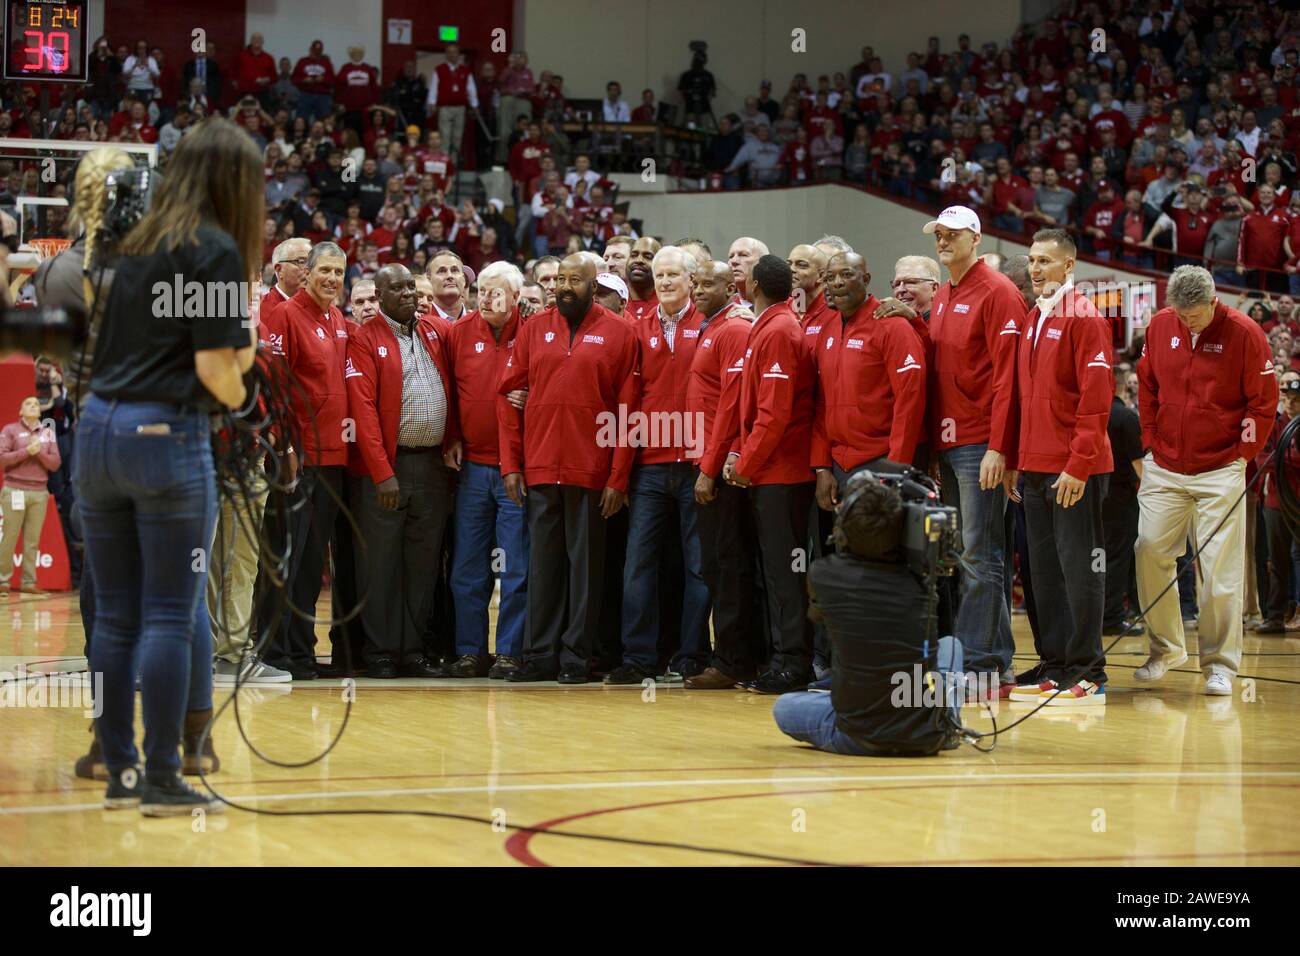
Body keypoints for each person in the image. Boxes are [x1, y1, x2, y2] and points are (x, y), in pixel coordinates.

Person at [75, 117, 260, 815]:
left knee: (113, 617)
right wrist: (243, 395)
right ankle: (162, 776)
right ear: (233, 182)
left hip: (98, 430)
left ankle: (117, 767)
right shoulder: (211, 249)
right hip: (164, 437)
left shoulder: (130, 241)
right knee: (167, 615)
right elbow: (220, 370)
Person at [1134, 265, 1278, 696]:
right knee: (1149, 550)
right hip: (1164, 464)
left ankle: (1220, 664)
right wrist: (1149, 440)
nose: (1187, 321)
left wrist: (1242, 455)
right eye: (1181, 314)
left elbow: (1263, 403)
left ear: (1214, 302)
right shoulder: (1162, 325)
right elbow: (1147, 387)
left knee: (1219, 571)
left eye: (1194, 315)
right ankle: (1165, 649)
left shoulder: (1246, 333)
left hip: (1220, 469)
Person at [497, 254, 640, 683]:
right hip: (540, 468)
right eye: (560, 279)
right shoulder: (534, 328)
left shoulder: (620, 333)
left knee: (587, 570)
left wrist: (618, 477)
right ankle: (539, 656)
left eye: (574, 280)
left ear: (593, 286)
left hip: (591, 471)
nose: (564, 286)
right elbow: (507, 396)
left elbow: (628, 411)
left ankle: (576, 658)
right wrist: (511, 464)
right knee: (543, 567)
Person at [772, 474, 961, 755]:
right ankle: (948, 723)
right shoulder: (921, 579)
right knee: (950, 646)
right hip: (925, 734)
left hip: (857, 734)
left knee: (784, 707)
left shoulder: (824, 575)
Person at [1003, 229, 1113, 705]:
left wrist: (1079, 465)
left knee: (1079, 570)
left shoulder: (1084, 317)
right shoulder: (1034, 317)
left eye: (1045, 261)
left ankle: (1089, 671)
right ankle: (1055, 663)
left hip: (1075, 469)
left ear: (1069, 266)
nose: (1035, 269)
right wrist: (1015, 461)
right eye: (1031, 260)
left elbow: (1095, 402)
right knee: (1043, 572)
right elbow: (1026, 401)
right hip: (1035, 466)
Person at [924, 205, 1025, 694]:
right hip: (949, 444)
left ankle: (983, 666)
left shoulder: (999, 293)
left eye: (952, 234)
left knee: (979, 555)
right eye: (938, 234)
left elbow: (1010, 379)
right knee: (970, 556)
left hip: (980, 443)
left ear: (976, 238)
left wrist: (1000, 447)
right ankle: (995, 664)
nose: (942, 241)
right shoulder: (944, 293)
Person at [606, 247, 710, 684]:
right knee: (638, 563)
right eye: (659, 275)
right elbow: (627, 401)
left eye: (672, 275)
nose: (664, 281)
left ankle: (691, 656)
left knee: (698, 565)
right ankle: (638, 658)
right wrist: (622, 469)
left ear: (690, 281)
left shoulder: (711, 323)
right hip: (648, 464)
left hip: (695, 463)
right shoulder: (635, 327)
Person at [345, 264, 453, 678]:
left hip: (430, 465)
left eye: (411, 286)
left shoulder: (433, 333)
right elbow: (364, 410)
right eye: (398, 288)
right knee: (381, 563)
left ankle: (413, 650)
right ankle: (381, 652)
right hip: (387, 468)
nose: (408, 293)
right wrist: (381, 471)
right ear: (380, 293)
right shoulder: (364, 337)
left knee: (423, 565)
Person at [724, 255, 815, 694]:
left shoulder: (778, 330)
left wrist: (745, 463)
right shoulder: (773, 323)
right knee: (776, 572)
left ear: (755, 284)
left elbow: (774, 413)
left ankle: (792, 664)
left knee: (784, 573)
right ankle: (782, 658)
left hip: (781, 472)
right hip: (772, 470)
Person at [264, 242, 352, 680]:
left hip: (332, 457)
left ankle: (301, 652)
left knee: (312, 561)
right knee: (286, 558)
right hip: (298, 457)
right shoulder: (284, 315)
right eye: (324, 271)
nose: (332, 279)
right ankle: (274, 651)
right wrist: (285, 448)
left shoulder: (337, 319)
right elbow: (276, 387)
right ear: (306, 272)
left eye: (339, 272)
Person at [444, 262, 529, 678]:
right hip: (473, 468)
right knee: (468, 566)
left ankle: (511, 650)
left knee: (515, 566)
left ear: (516, 297)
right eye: (482, 291)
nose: (487, 299)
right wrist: (452, 436)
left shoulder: (532, 334)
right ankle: (469, 650)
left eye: (498, 293)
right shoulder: (458, 335)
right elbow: (446, 390)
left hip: (517, 468)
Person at [686, 258, 760, 688]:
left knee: (728, 566)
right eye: (695, 283)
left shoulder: (733, 330)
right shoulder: (711, 327)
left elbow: (733, 408)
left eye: (707, 284)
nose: (697, 290)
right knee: (717, 565)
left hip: (724, 468)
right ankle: (733, 655)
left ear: (731, 290)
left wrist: (712, 467)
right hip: (706, 459)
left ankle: (732, 660)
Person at [1101, 364, 1146, 636]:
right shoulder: (1126, 417)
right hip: (1121, 497)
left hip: (1092, 493)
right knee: (1118, 558)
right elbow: (1139, 465)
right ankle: (1113, 617)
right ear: (1121, 385)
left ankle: (1098, 615)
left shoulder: (1089, 415)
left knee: (1097, 558)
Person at [0, 397, 60, 597]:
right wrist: (27, 451)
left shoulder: (48, 433)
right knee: (9, 537)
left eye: (36, 404)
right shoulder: (10, 430)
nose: (33, 405)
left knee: (32, 541)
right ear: (20, 411)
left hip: (39, 492)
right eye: (28, 403)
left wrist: (39, 453)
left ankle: (28, 582)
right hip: (14, 490)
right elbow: (2, 459)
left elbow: (55, 463)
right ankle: (3, 581)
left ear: (40, 412)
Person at [427, 43, 478, 161]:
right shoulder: (439, 69)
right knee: (445, 135)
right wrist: (432, 102)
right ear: (446, 54)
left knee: (457, 137)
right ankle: (444, 161)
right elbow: (434, 86)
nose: (452, 54)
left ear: (459, 54)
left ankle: (453, 164)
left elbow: (471, 88)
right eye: (449, 52)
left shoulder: (465, 71)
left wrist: (475, 104)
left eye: (454, 52)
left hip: (460, 108)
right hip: (444, 107)